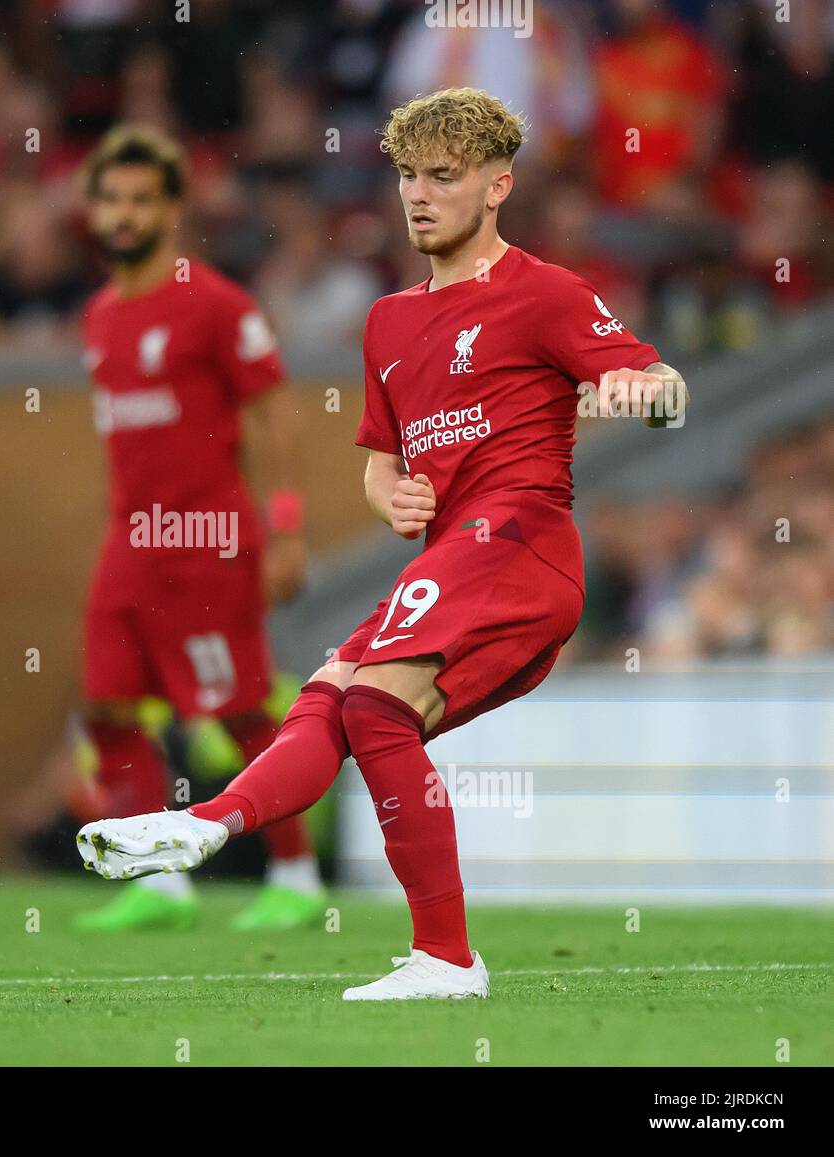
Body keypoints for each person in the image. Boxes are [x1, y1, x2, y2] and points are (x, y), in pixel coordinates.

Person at [76, 89, 689, 995]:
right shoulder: (388, 321)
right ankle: (204, 829)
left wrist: (651, 395)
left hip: (520, 544)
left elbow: (658, 377)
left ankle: (443, 956)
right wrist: (389, 495)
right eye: (407, 175)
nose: (419, 194)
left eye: (444, 175)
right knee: (330, 698)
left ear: (497, 187)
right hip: (451, 557)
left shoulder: (545, 293)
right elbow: (377, 462)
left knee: (368, 707)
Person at [74, 125, 323, 932]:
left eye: (142, 199)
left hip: (207, 542)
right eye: (111, 198)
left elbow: (274, 414)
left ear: (172, 209)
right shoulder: (102, 316)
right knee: (108, 704)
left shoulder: (215, 304)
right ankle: (161, 880)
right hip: (129, 545)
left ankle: (296, 873)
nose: (124, 213)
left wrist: (285, 529)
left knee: (240, 710)